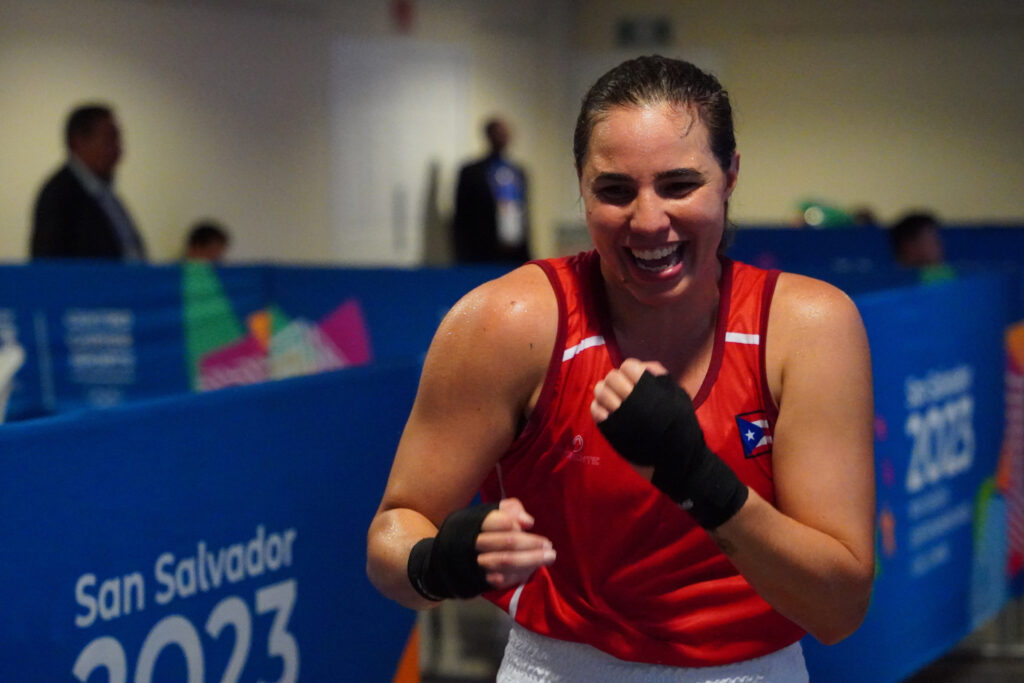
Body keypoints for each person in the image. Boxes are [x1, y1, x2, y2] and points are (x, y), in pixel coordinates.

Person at [367, 55, 875, 681]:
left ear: (731, 176)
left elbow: (839, 608)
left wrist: (698, 482)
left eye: (679, 185)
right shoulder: (511, 322)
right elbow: (392, 534)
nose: (648, 220)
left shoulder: (805, 327)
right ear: (580, 187)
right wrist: (438, 563)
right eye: (614, 191)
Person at [30, 104, 146, 261]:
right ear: (79, 142)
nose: (119, 149)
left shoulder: (104, 194)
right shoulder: (59, 196)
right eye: (110, 138)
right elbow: (50, 267)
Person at [452, 117, 531, 263]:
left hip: (515, 251)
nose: (503, 137)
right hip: (482, 252)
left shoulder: (517, 171)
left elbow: (524, 213)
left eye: (505, 133)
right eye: (498, 133)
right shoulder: (472, 172)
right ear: (488, 135)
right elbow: (461, 216)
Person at [888, 211, 956, 282]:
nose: (939, 244)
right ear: (909, 246)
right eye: (931, 239)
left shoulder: (946, 276)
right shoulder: (893, 282)